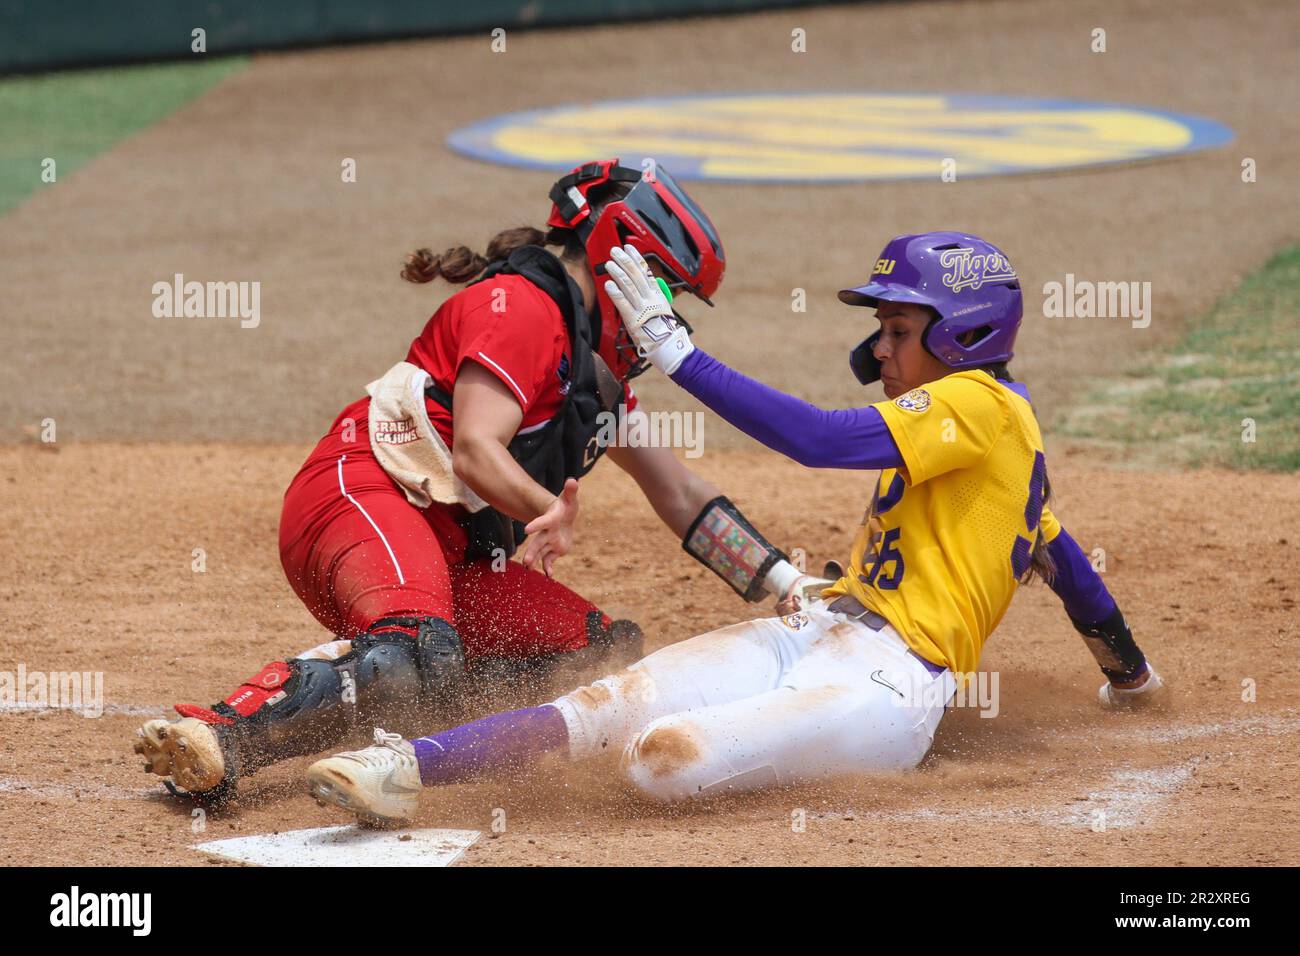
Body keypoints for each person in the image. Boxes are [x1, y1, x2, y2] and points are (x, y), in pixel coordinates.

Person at [302, 231, 1165, 826]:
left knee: (656, 757)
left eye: (901, 330)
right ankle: (407, 766)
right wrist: (1132, 676)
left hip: (888, 687)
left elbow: (818, 441)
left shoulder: (985, 406)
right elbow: (1072, 572)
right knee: (608, 701)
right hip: (813, 626)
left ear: (967, 333)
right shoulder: (995, 456)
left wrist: (683, 358)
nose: (885, 353)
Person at [133, 160, 811, 804]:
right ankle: (221, 735)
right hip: (364, 497)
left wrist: (787, 585)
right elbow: (476, 451)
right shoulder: (522, 308)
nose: (667, 306)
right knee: (413, 653)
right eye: (667, 284)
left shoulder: (596, 376)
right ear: (618, 257)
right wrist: (551, 507)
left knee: (593, 660)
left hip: (445, 554)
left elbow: (683, 497)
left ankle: (402, 729)